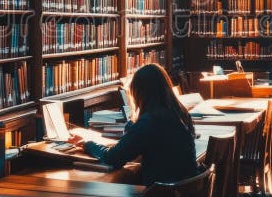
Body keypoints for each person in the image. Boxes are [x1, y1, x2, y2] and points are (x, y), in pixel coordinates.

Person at [69, 63, 198, 186]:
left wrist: (88, 144)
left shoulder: (150, 121)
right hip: (183, 196)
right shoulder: (179, 113)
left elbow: (113, 158)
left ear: (140, 93)